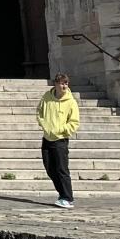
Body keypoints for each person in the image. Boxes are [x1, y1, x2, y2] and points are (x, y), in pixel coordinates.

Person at [38, 73, 80, 209]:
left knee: (62, 169)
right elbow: (39, 111)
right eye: (62, 83)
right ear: (55, 84)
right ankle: (62, 195)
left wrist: (62, 130)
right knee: (49, 168)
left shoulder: (71, 102)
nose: (64, 86)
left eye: (66, 83)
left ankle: (68, 198)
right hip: (47, 138)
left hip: (60, 140)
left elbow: (74, 122)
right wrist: (44, 125)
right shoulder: (47, 97)